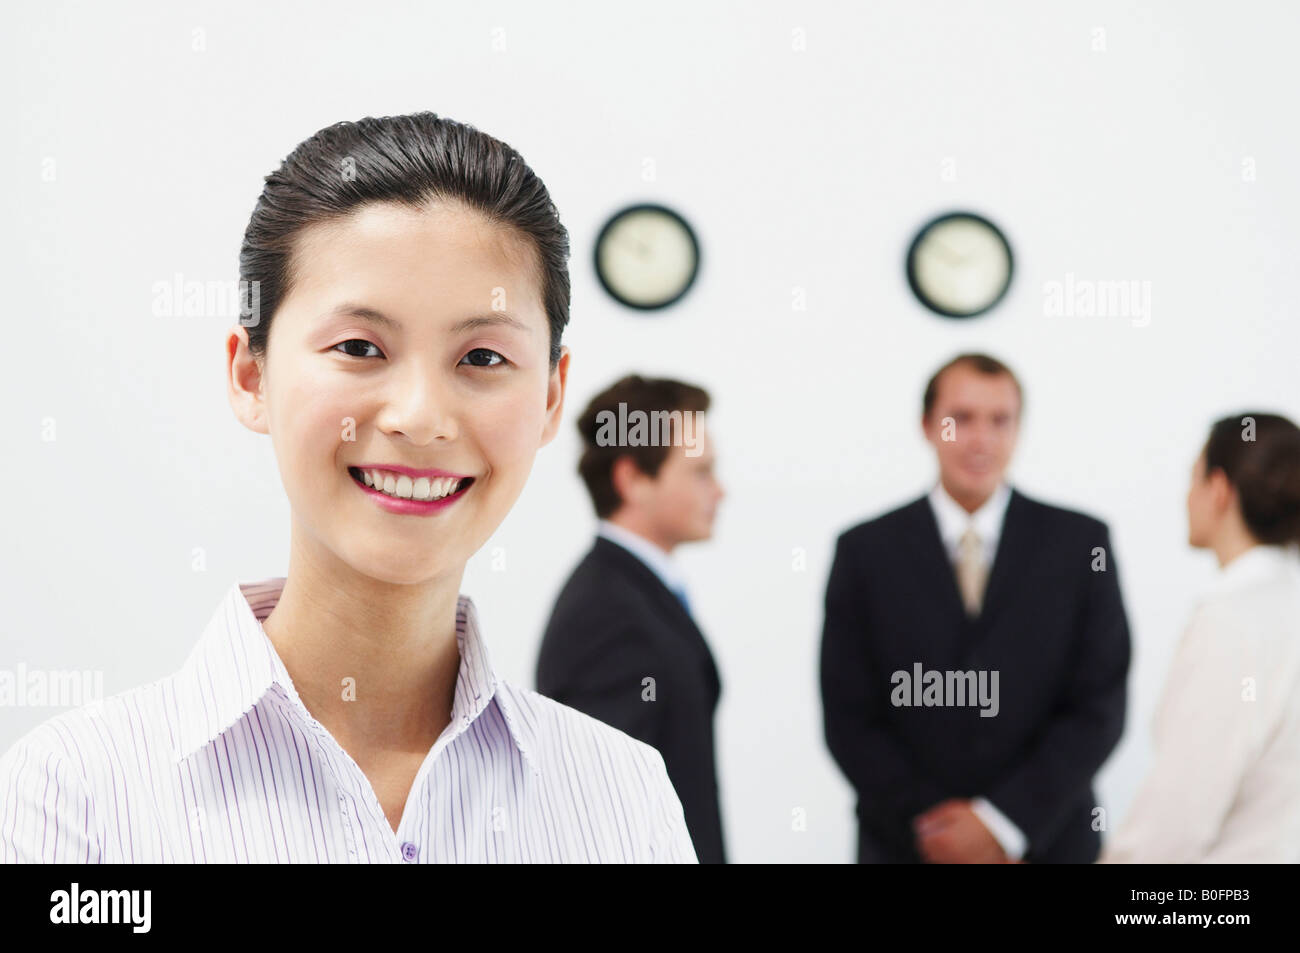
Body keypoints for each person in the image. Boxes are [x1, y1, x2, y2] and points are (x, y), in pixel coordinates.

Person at [0, 112, 697, 863]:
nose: (421, 417)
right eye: (360, 347)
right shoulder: (78, 795)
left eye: (484, 358)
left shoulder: (624, 796)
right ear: (250, 373)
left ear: (552, 398)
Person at [820, 353, 1131, 863]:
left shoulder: (1081, 544)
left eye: (1000, 420)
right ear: (926, 426)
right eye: (960, 419)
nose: (980, 439)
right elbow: (849, 715)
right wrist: (937, 827)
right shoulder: (864, 551)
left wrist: (1000, 823)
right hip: (907, 845)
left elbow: (1099, 705)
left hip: (1047, 843)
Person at [536, 375, 728, 863]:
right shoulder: (608, 614)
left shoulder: (633, 593)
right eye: (702, 472)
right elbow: (600, 818)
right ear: (633, 480)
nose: (720, 491)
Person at [1101, 413, 1300, 863]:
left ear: (1220, 489)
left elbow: (1178, 818)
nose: (1186, 498)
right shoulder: (1286, 603)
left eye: (1193, 479)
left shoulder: (1235, 620)